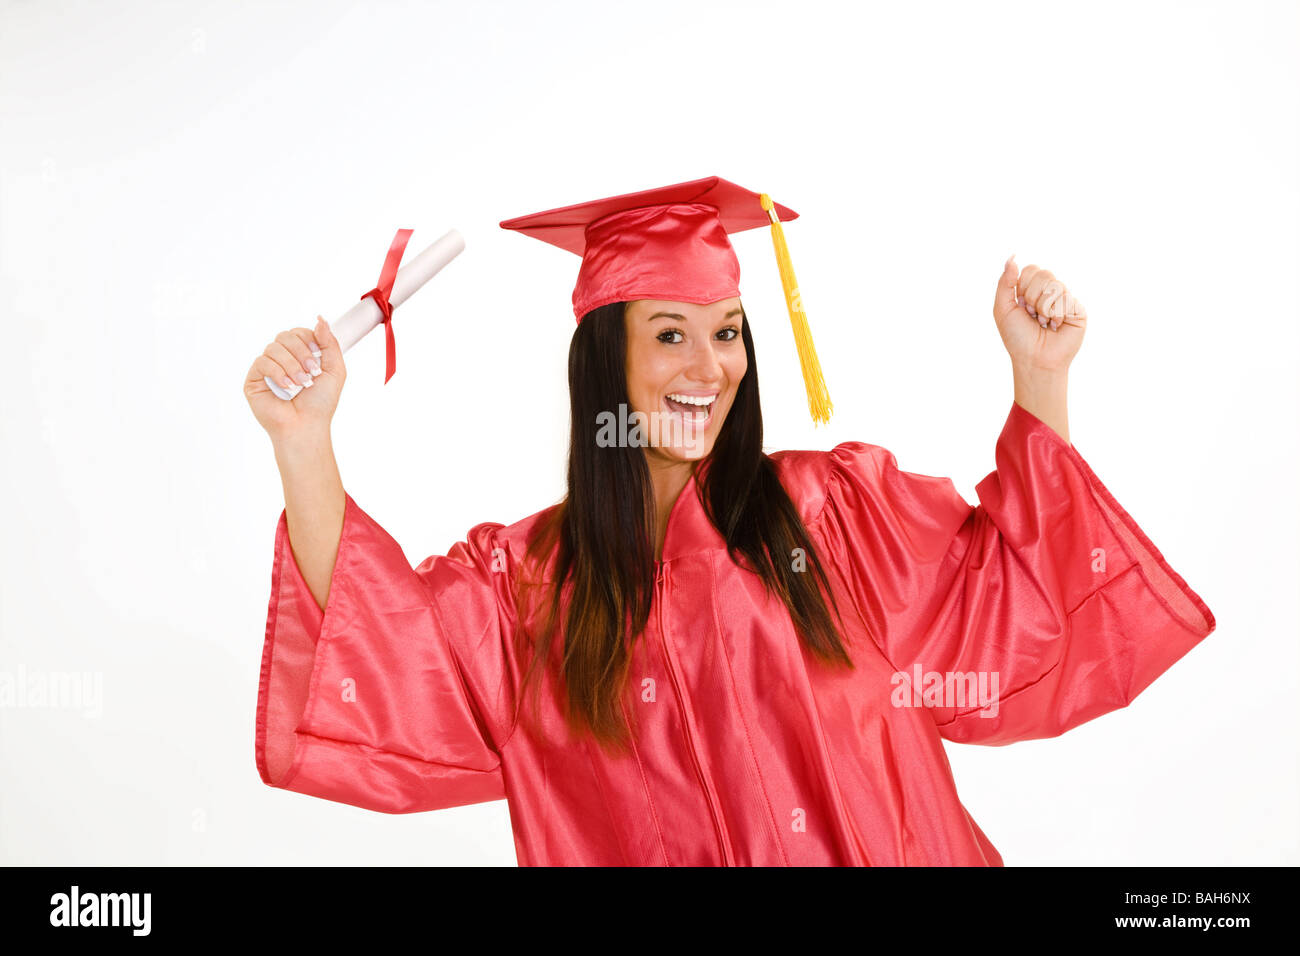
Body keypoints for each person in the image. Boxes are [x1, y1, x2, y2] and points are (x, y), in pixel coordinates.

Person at [242, 175, 1215, 866]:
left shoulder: (836, 514)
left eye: (725, 333)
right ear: (603, 363)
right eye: (668, 334)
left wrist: (1040, 374)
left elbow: (1023, 599)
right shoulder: (531, 583)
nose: (708, 368)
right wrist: (304, 440)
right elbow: (379, 654)